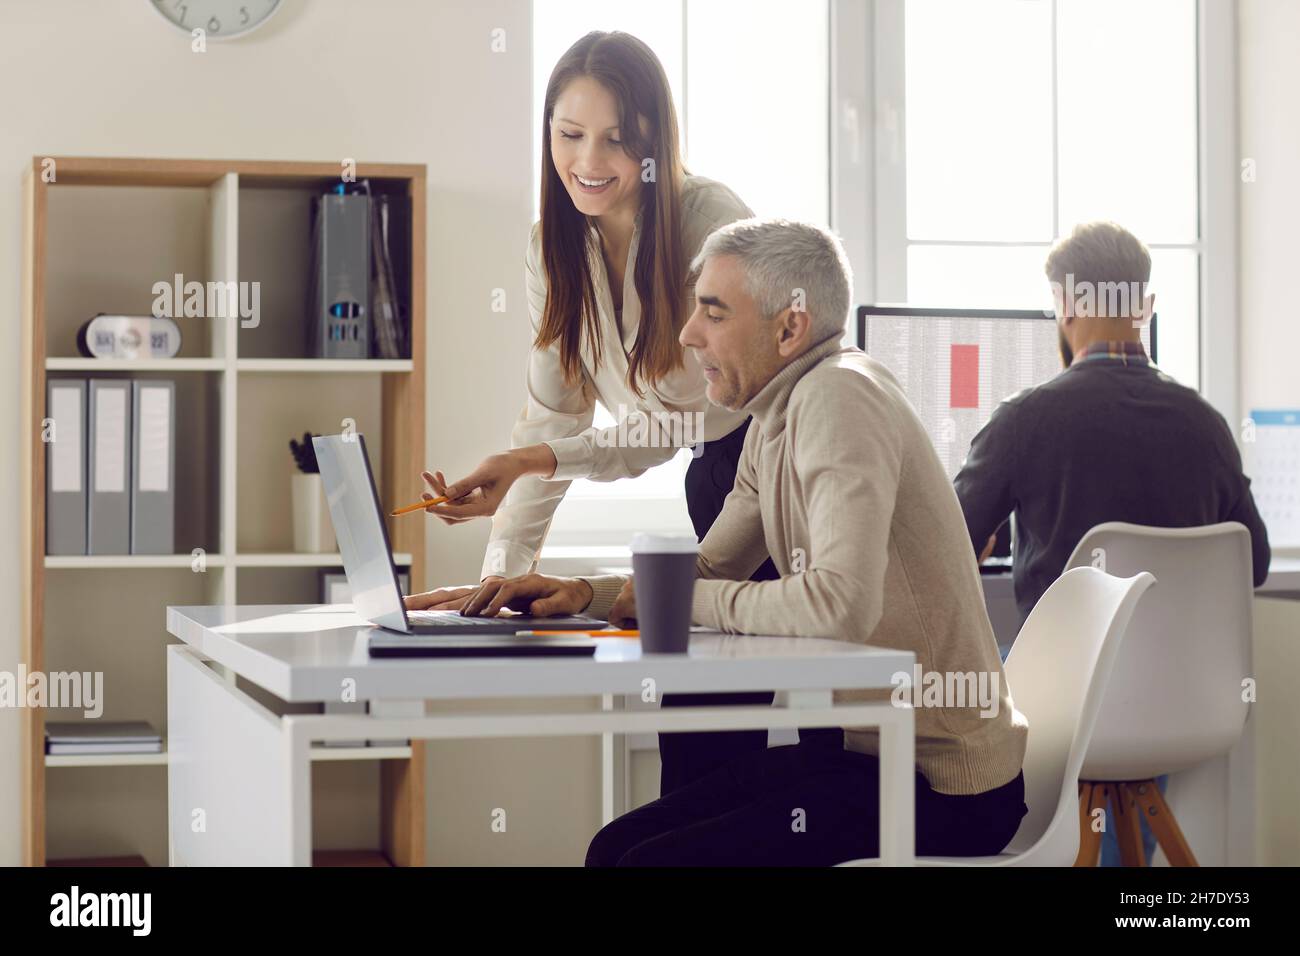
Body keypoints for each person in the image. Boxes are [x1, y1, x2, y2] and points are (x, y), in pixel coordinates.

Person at [457, 219, 1030, 866]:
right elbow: (708, 565)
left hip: (942, 786)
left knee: (646, 861)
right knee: (615, 846)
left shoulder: (840, 398)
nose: (686, 334)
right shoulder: (775, 414)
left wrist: (670, 601)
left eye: (713, 312)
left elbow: (840, 605)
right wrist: (586, 593)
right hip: (864, 755)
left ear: (789, 327)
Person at [403, 31, 781, 797]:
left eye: (615, 139)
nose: (588, 161)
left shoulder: (713, 229)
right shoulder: (556, 248)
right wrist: (497, 589)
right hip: (712, 480)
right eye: (569, 135)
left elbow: (684, 420)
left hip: (778, 469)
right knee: (697, 725)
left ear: (652, 140)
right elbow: (553, 417)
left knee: (759, 723)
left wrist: (532, 464)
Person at [953, 220, 1271, 866]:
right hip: (1187, 699)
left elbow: (949, 546)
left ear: (1066, 307)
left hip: (1070, 705)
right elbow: (1255, 564)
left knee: (972, 689)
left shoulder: (1025, 419)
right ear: (1145, 308)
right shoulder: (1206, 425)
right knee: (1125, 759)